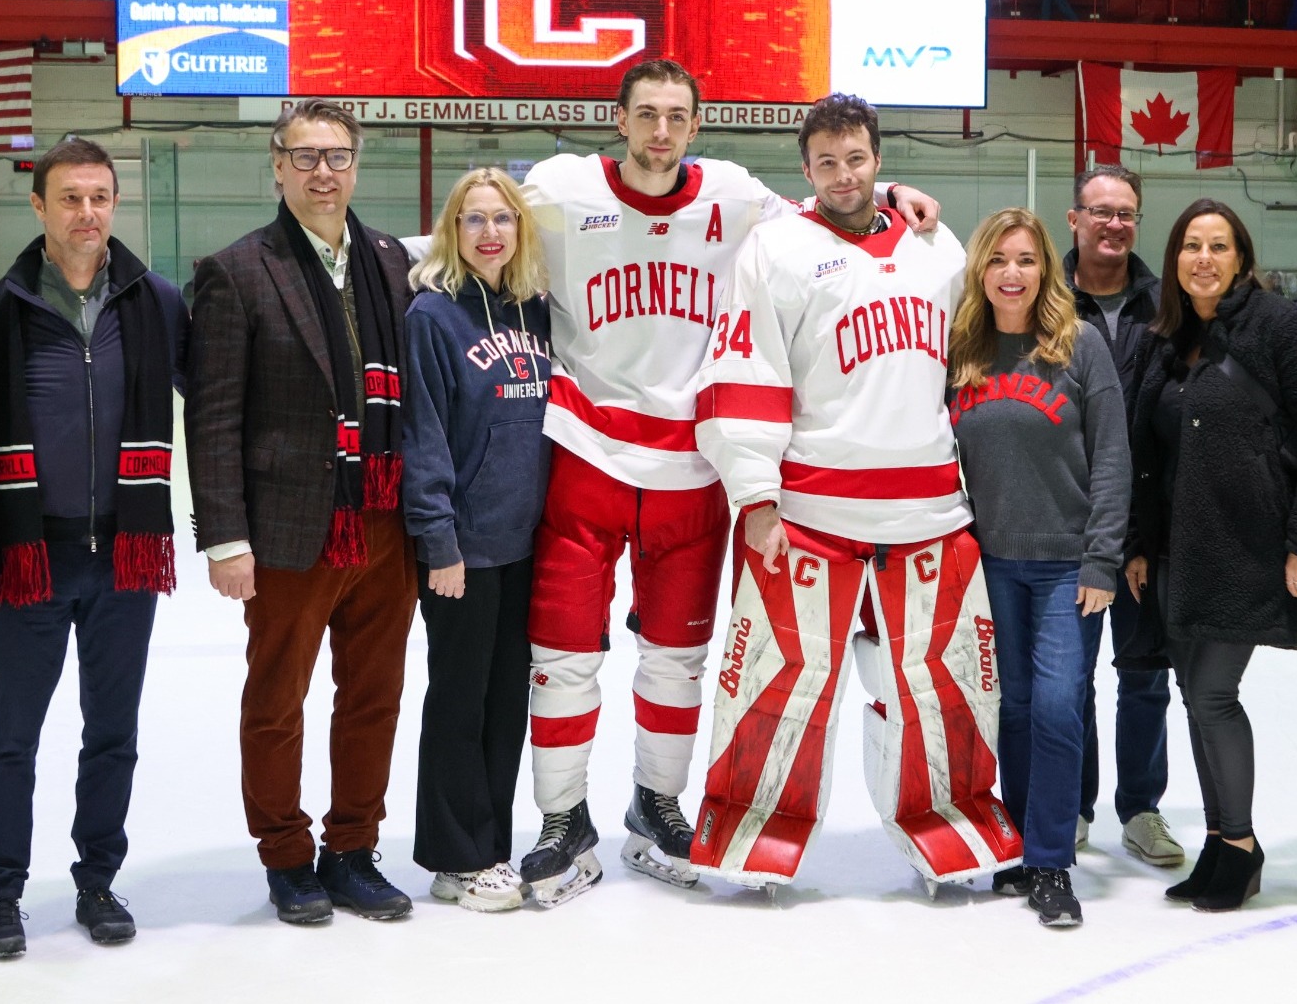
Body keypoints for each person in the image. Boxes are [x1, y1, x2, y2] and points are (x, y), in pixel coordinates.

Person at [418, 59, 939, 908]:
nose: (661, 131)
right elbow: (484, 223)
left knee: (677, 659)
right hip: (584, 454)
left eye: (677, 116)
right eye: (646, 114)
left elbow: (828, 212)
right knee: (561, 657)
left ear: (697, 126)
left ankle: (656, 802)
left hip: (693, 471)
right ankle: (562, 817)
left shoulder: (734, 195)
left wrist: (898, 190)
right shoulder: (557, 187)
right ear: (618, 121)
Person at [687, 93, 1020, 893]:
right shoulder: (774, 249)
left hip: (933, 510)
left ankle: (950, 830)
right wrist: (755, 496)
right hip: (809, 513)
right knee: (777, 682)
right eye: (827, 162)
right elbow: (746, 374)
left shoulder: (937, 248)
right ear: (806, 169)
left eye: (857, 158)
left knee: (944, 686)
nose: (844, 174)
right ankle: (755, 838)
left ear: (878, 159)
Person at [187, 99, 418, 926]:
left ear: (357, 165)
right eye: (306, 155)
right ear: (277, 166)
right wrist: (224, 537)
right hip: (290, 525)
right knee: (278, 696)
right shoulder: (236, 270)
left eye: (339, 155)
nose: (324, 171)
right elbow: (212, 416)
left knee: (375, 693)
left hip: (384, 518)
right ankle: (286, 854)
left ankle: (353, 847)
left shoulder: (392, 260)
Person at [0, 138, 188, 959]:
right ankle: (2, 888)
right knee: (11, 736)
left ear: (114, 203)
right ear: (39, 205)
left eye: (98, 197)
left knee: (112, 731)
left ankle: (97, 878)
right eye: (69, 198)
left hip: (126, 554)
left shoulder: (155, 300)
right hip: (33, 554)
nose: (86, 213)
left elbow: (213, 396)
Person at [1124, 198, 1297, 913]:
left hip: (1247, 547)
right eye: (1192, 245)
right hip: (1177, 553)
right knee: (1196, 697)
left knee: (1214, 694)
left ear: (1242, 260)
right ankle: (1220, 841)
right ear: (1175, 260)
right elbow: (1146, 453)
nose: (1205, 259)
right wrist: (1139, 544)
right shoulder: (1168, 336)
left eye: (1220, 246)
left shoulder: (1277, 326)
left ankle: (1242, 846)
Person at [949, 208, 1129, 927]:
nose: (1012, 273)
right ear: (980, 272)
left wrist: (1102, 558)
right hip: (988, 563)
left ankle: (1052, 861)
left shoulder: (1079, 346)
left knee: (1058, 706)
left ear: (1046, 268)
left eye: (1025, 259)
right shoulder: (964, 348)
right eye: (998, 260)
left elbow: (1114, 458)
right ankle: (1020, 844)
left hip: (1066, 567)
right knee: (1014, 708)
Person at [402, 168, 552, 914]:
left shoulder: (533, 312)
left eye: (503, 219)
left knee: (505, 701)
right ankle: (454, 856)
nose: (490, 232)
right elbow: (423, 435)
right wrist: (439, 542)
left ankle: (490, 842)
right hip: (462, 548)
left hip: (524, 544)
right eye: (474, 220)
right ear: (452, 231)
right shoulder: (432, 316)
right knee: (458, 698)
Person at [1062, 166, 1181, 868]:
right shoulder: (1042, 296)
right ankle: (1071, 806)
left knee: (1144, 674)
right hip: (1068, 528)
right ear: (1074, 218)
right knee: (1067, 679)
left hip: (1147, 533)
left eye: (1127, 213)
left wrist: (1145, 534)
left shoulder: (1166, 304)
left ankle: (1140, 808)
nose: (1114, 224)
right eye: (1101, 211)